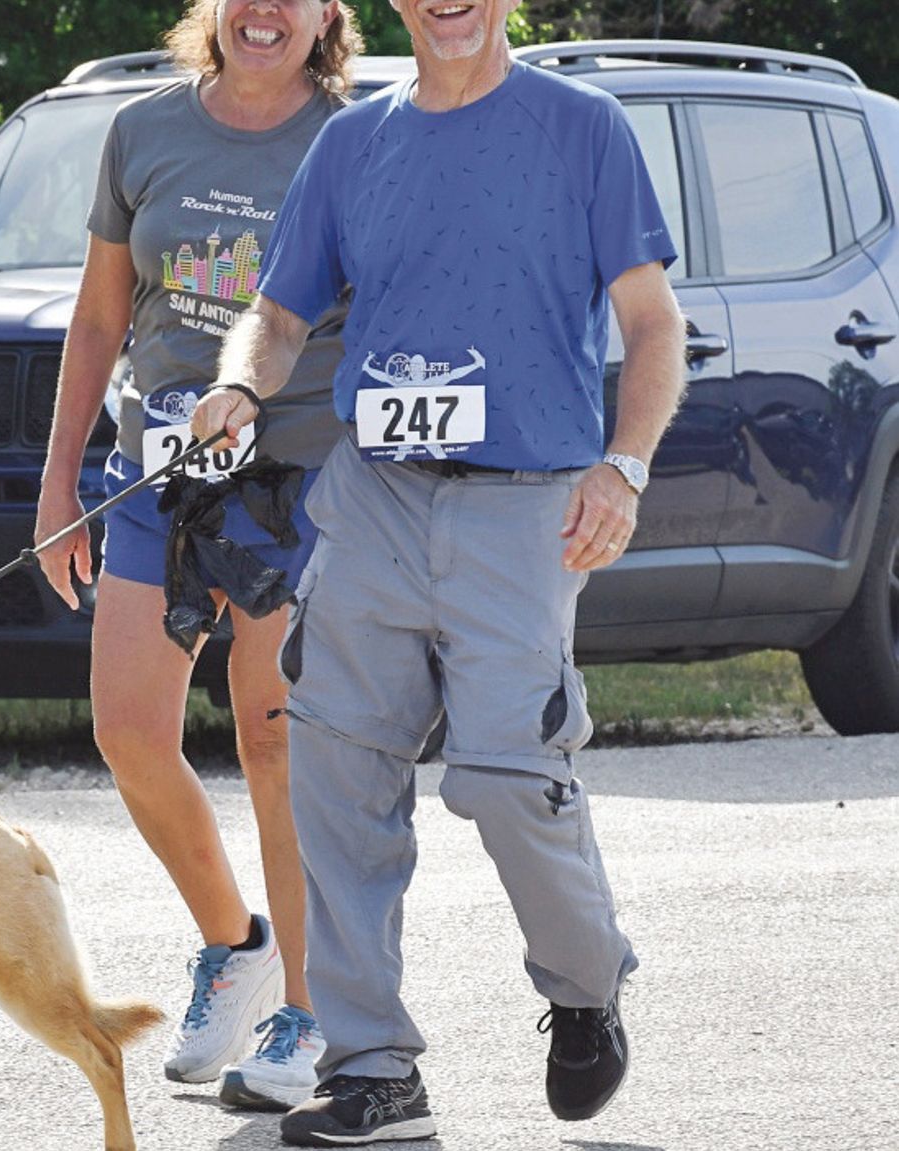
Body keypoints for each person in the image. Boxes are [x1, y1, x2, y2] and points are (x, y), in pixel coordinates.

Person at [191, 0, 687, 1142]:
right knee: (336, 772)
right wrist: (239, 382)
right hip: (375, 493)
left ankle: (585, 982)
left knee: (509, 772)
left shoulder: (583, 128)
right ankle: (373, 1071)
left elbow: (654, 325)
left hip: (528, 499)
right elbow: (277, 313)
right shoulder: (353, 142)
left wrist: (623, 469)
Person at [33, 0, 363, 1112]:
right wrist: (59, 487)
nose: (264, 13)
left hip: (296, 480)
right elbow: (97, 320)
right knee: (128, 731)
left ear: (328, 13)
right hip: (156, 475)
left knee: (275, 737)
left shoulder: (355, 136)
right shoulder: (144, 131)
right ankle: (237, 943)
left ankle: (311, 1012)